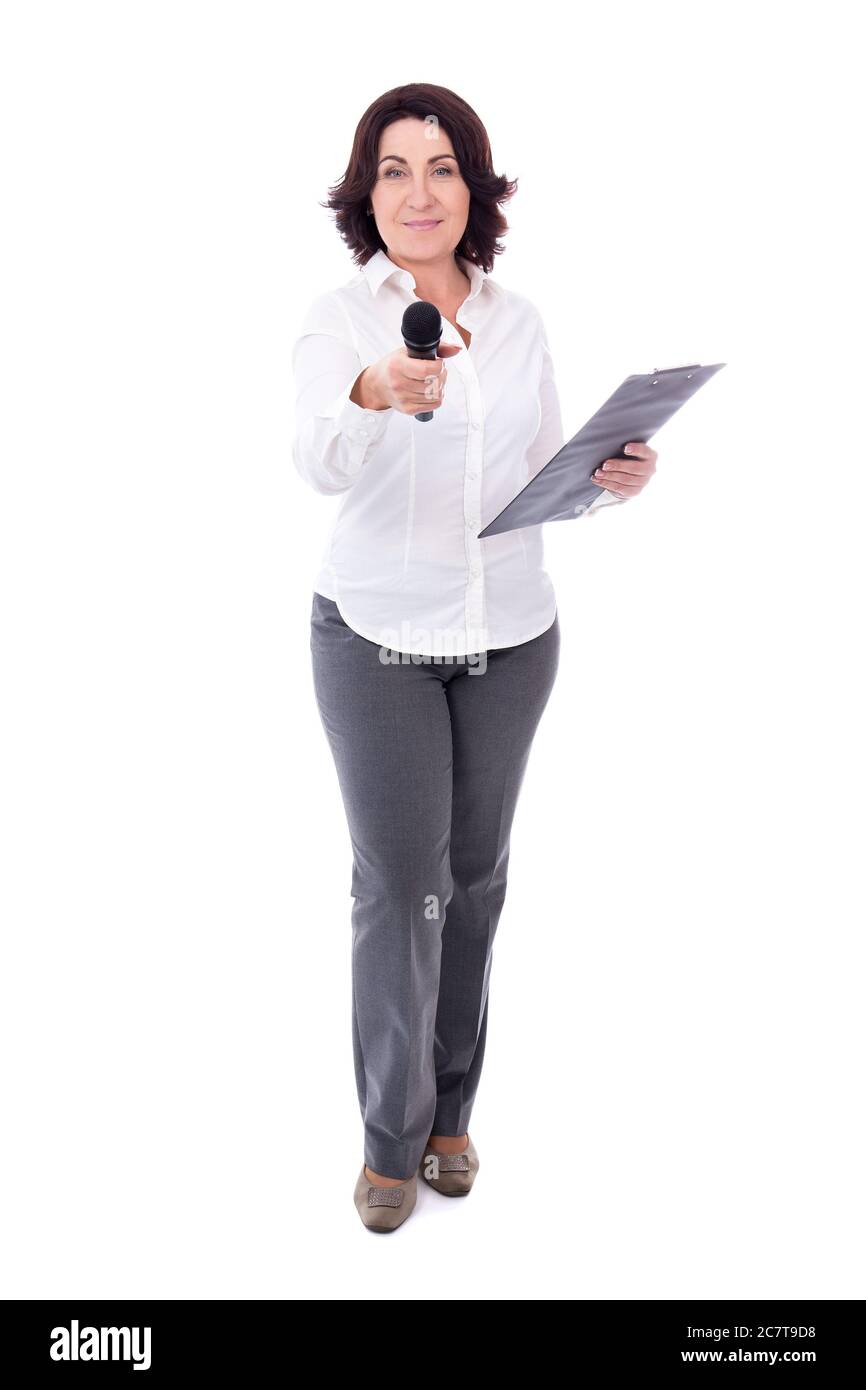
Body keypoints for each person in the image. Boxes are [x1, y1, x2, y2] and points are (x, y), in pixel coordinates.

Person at [291, 83, 657, 1234]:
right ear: (368, 193)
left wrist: (605, 483)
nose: (417, 191)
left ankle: (453, 1114)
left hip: (509, 637)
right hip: (377, 637)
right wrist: (374, 391)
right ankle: (389, 1139)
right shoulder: (339, 321)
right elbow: (315, 457)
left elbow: (537, 483)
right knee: (402, 889)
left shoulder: (518, 321)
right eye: (393, 169)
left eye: (440, 166)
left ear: (472, 187)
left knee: (477, 880)